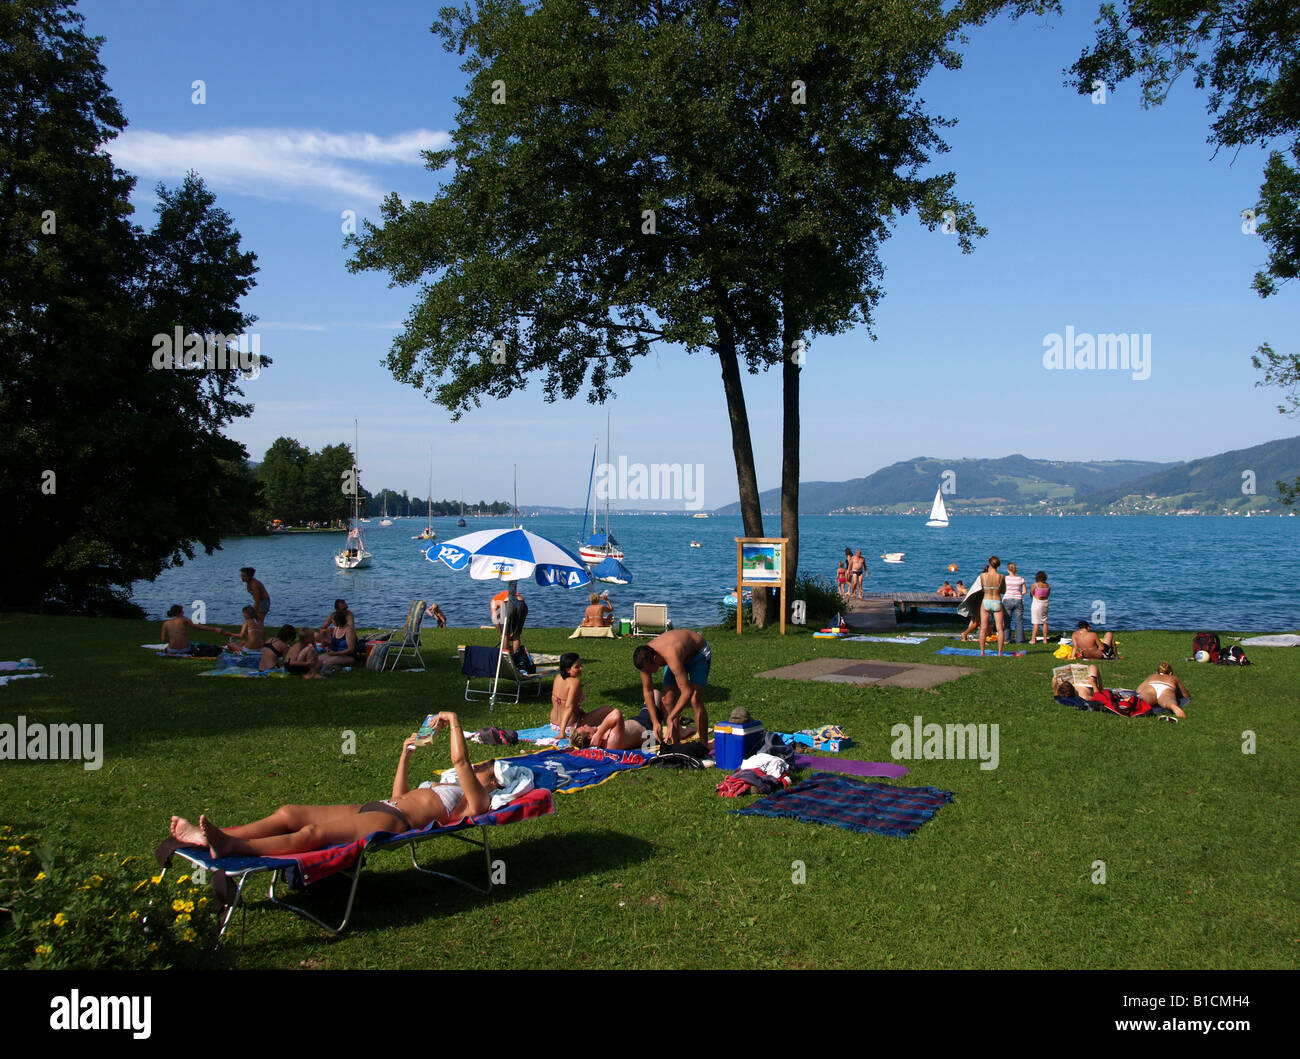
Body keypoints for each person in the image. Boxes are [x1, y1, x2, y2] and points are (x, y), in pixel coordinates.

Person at [168, 713, 513, 857]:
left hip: (392, 823)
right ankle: (210, 837)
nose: (479, 764)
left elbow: (459, 761)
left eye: (486, 765)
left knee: (312, 836)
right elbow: (399, 796)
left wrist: (453, 720)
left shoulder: (477, 800)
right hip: (382, 806)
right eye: (482, 763)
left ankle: (231, 846)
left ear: (493, 779)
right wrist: (404, 754)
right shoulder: (448, 787)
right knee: (290, 813)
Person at [632, 629, 711, 744]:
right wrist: (655, 722)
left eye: (649, 670)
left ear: (655, 659)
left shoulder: (670, 654)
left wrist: (671, 717)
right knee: (666, 699)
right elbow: (648, 692)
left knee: (695, 698)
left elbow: (686, 692)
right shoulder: (644, 659)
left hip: (698, 654)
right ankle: (676, 745)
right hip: (680, 657)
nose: (648, 673)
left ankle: (704, 745)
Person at [550, 653, 617, 734]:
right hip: (569, 727)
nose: (581, 668)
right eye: (577, 667)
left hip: (553, 724)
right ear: (567, 669)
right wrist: (562, 732)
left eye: (581, 665)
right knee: (608, 710)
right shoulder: (574, 682)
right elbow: (568, 707)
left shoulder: (558, 677)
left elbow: (559, 702)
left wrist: (577, 709)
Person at [571, 708, 684, 752]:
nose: (586, 724)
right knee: (663, 697)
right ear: (590, 736)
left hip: (640, 720)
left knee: (654, 694)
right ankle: (679, 730)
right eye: (584, 727)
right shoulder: (610, 743)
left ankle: (676, 725)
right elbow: (616, 713)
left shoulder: (598, 733)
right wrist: (599, 734)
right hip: (648, 729)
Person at [978, 556, 1006, 656]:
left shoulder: (983, 576)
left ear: (990, 564)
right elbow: (1003, 591)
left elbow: (982, 588)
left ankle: (982, 652)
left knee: (983, 628)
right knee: (1000, 629)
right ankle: (1000, 652)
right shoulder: (1002, 577)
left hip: (986, 600)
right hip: (997, 601)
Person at [491, 589, 528, 656]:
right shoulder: (503, 596)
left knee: (505, 635)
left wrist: (501, 633)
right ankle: (515, 657)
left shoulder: (494, 601)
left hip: (507, 604)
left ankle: (506, 657)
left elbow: (494, 618)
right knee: (516, 635)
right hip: (522, 603)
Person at [1002, 562, 1027, 645]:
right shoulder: (1021, 579)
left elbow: (1002, 589)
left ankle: (1006, 639)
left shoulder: (1005, 579)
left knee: (1007, 621)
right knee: (1019, 621)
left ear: (1008, 569)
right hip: (1018, 600)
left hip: (1007, 599)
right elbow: (1024, 591)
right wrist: (1018, 593)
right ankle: (1020, 640)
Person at [1029, 571, 1051, 644]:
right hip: (1045, 603)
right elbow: (1048, 594)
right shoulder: (1047, 585)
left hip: (1037, 603)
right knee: (1044, 621)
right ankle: (1045, 639)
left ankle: (1033, 639)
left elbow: (1032, 593)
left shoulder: (1035, 585)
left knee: (1036, 622)